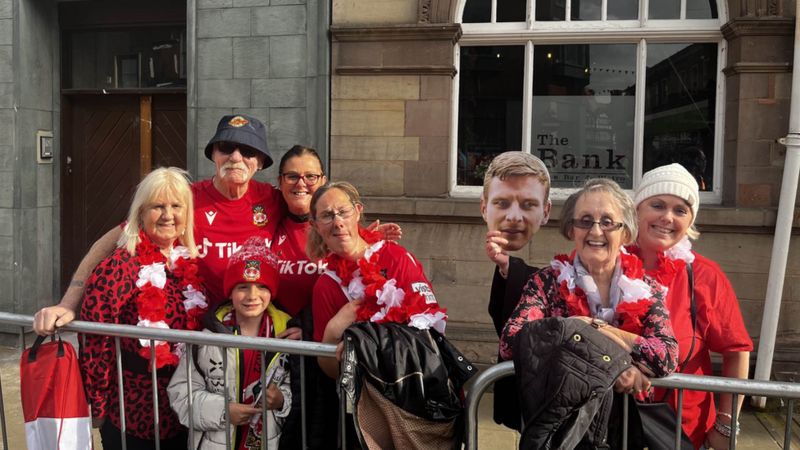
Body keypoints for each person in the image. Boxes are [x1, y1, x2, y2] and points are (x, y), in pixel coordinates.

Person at [34, 114, 285, 334]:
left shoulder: (273, 198)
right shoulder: (182, 198)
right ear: (214, 155)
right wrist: (67, 303)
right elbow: (110, 241)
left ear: (260, 162)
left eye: (248, 151)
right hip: (199, 330)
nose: (236, 157)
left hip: (254, 328)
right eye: (226, 147)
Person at [500, 177, 678, 382]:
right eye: (585, 221)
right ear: (571, 229)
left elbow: (666, 357)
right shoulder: (545, 283)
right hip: (565, 411)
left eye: (608, 222)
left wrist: (594, 328)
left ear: (626, 234)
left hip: (627, 412)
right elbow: (511, 342)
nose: (595, 231)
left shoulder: (647, 288)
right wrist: (613, 364)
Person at [79, 167, 208, 450]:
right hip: (134, 414)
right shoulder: (119, 267)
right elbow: (95, 341)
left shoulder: (189, 264)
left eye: (176, 206)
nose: (167, 215)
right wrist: (98, 405)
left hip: (185, 413)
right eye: (157, 206)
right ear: (140, 213)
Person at [629, 163, 752, 449]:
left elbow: (736, 351)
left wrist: (726, 423)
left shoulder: (706, 276)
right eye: (657, 205)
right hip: (615, 422)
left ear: (690, 221)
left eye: (680, 210)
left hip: (682, 429)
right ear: (637, 210)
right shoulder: (608, 265)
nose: (667, 217)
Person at [308, 181, 446, 378]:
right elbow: (331, 371)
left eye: (343, 212)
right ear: (316, 225)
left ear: (357, 211)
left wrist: (366, 341)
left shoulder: (394, 256)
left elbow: (430, 330)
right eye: (327, 216)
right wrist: (332, 333)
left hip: (419, 385)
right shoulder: (326, 285)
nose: (338, 222)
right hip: (367, 401)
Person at [168, 236, 292, 450]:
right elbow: (181, 394)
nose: (252, 296)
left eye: (262, 286)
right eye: (242, 286)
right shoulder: (206, 339)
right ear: (230, 292)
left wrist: (282, 400)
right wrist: (223, 411)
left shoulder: (288, 339)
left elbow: (301, 393)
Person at [481, 151, 551, 430]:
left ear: (546, 211)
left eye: (528, 204)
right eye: (502, 203)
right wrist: (508, 268)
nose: (514, 216)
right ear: (484, 207)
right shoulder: (506, 265)